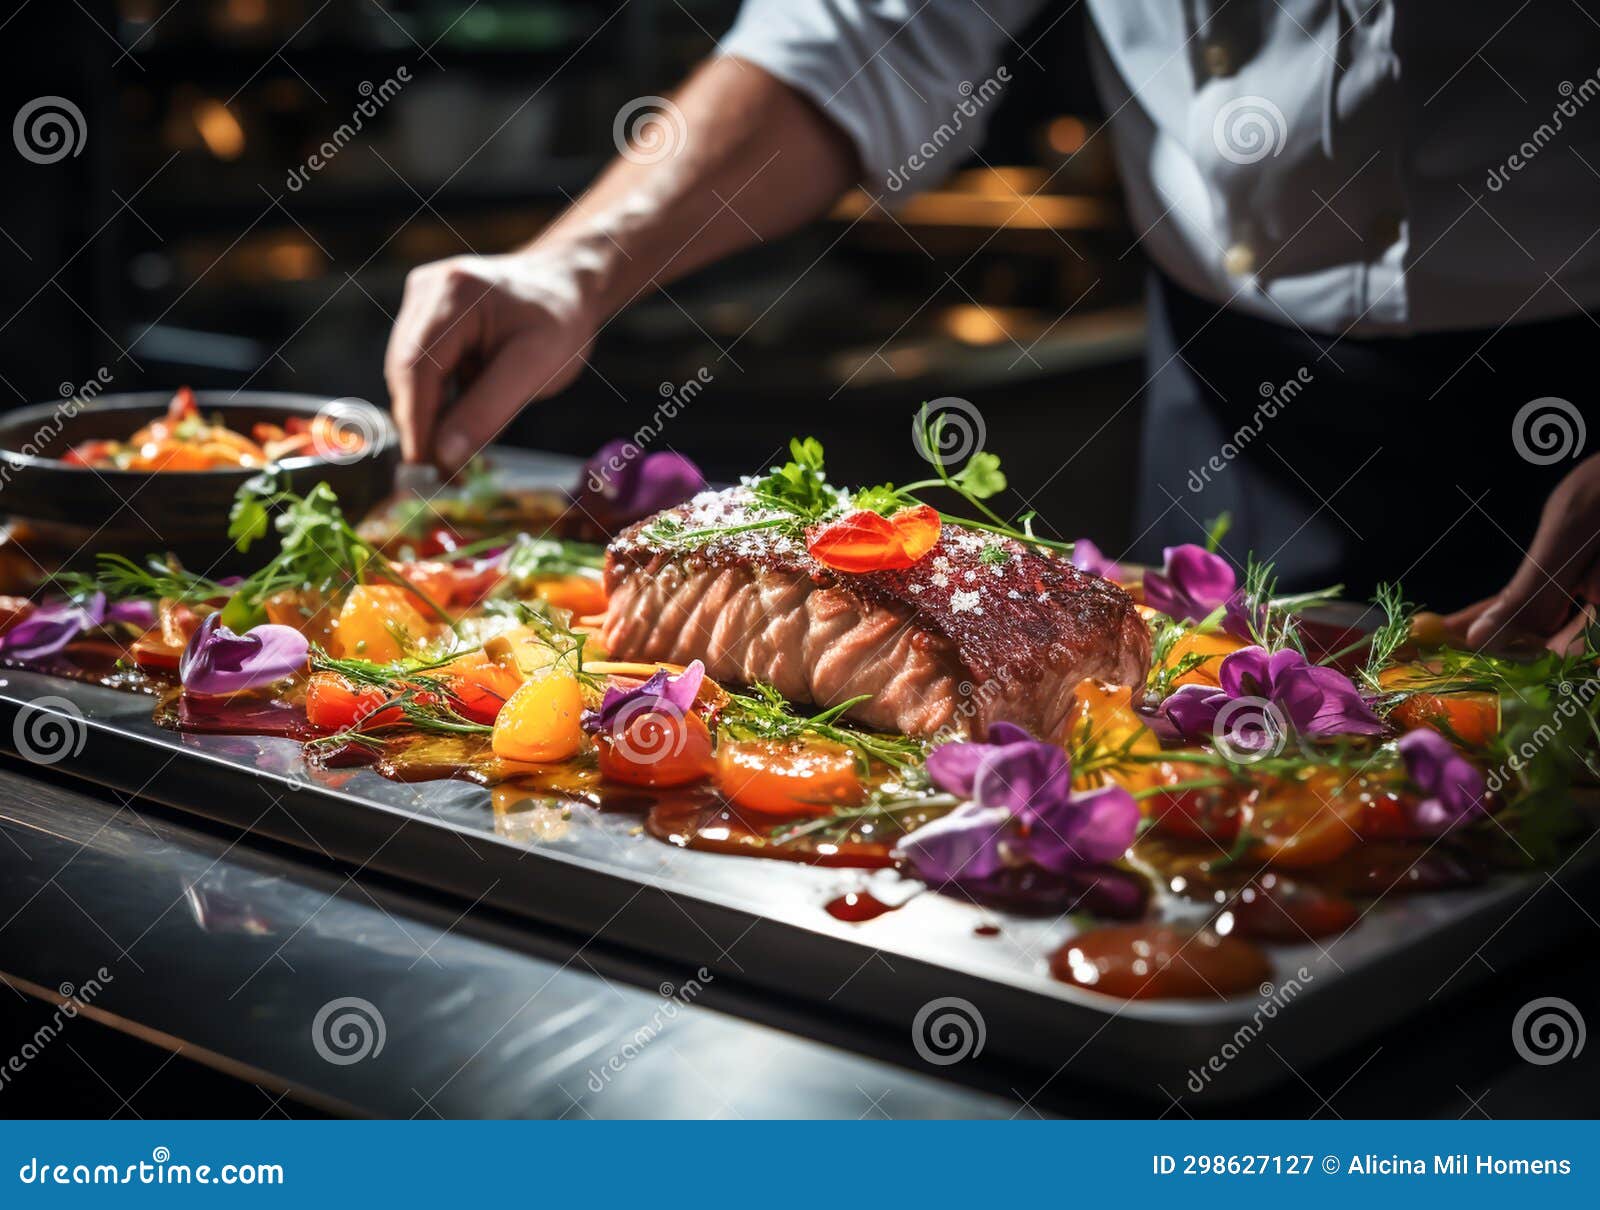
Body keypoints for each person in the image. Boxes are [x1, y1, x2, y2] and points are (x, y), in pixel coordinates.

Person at [385, 1, 1600, 652]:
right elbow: (864, 26)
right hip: (1227, 385)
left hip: (1568, 372)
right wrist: (575, 265)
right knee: (1187, 797)